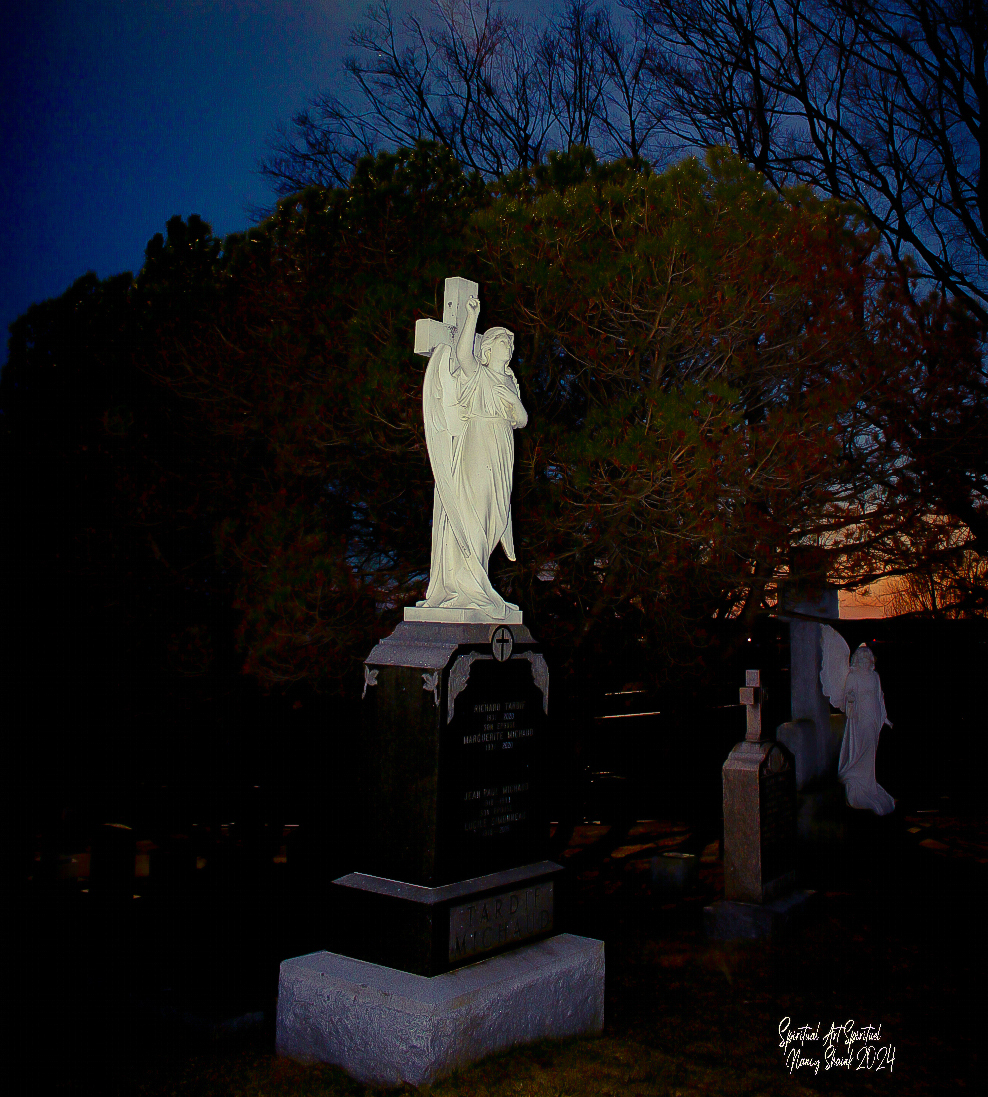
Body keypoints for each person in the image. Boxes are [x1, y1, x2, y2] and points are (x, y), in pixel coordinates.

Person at [418, 296, 528, 617]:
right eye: (503, 344)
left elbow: (520, 419)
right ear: (488, 349)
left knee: (495, 514)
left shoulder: (509, 381)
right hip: (478, 441)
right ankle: (469, 585)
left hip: (502, 446)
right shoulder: (477, 374)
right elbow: (462, 353)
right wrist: (472, 317)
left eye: (510, 345)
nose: (508, 349)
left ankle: (477, 580)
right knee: (474, 510)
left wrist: (510, 397)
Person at [821, 628, 895, 815]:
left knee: (871, 748)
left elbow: (880, 698)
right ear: (856, 660)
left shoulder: (875, 677)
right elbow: (847, 695)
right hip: (860, 717)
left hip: (874, 717)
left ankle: (868, 783)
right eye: (860, 658)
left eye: (866, 658)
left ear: (871, 661)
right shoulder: (853, 676)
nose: (863, 661)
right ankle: (856, 779)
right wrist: (851, 699)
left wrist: (885, 718)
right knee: (861, 746)